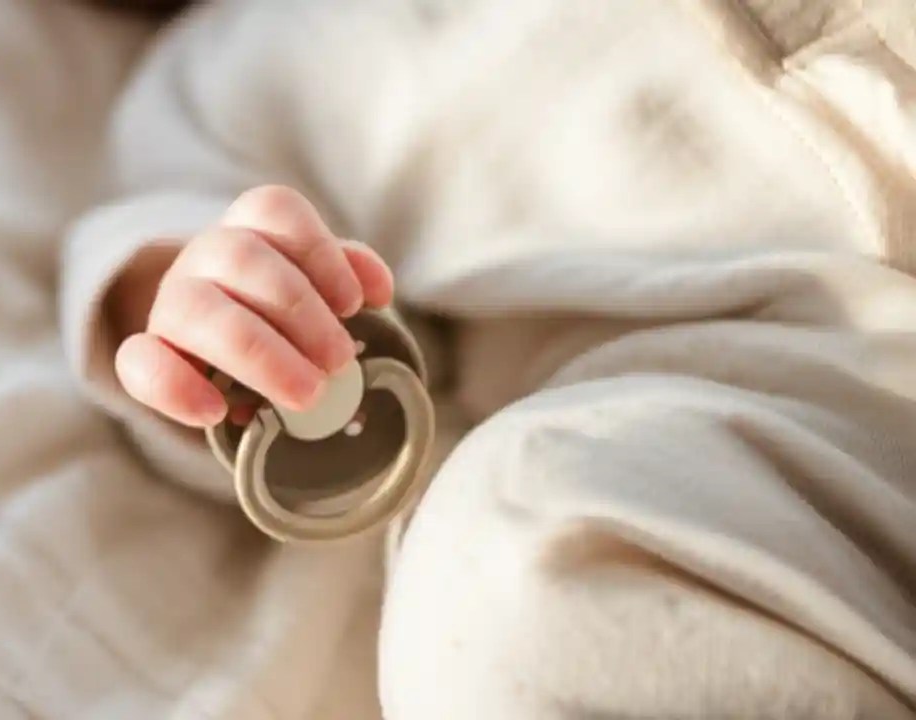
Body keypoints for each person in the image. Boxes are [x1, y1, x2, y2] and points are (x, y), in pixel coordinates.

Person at [63, 0, 916, 716]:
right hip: (779, 431)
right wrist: (207, 312)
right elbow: (160, 256)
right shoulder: (237, 70)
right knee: (503, 557)